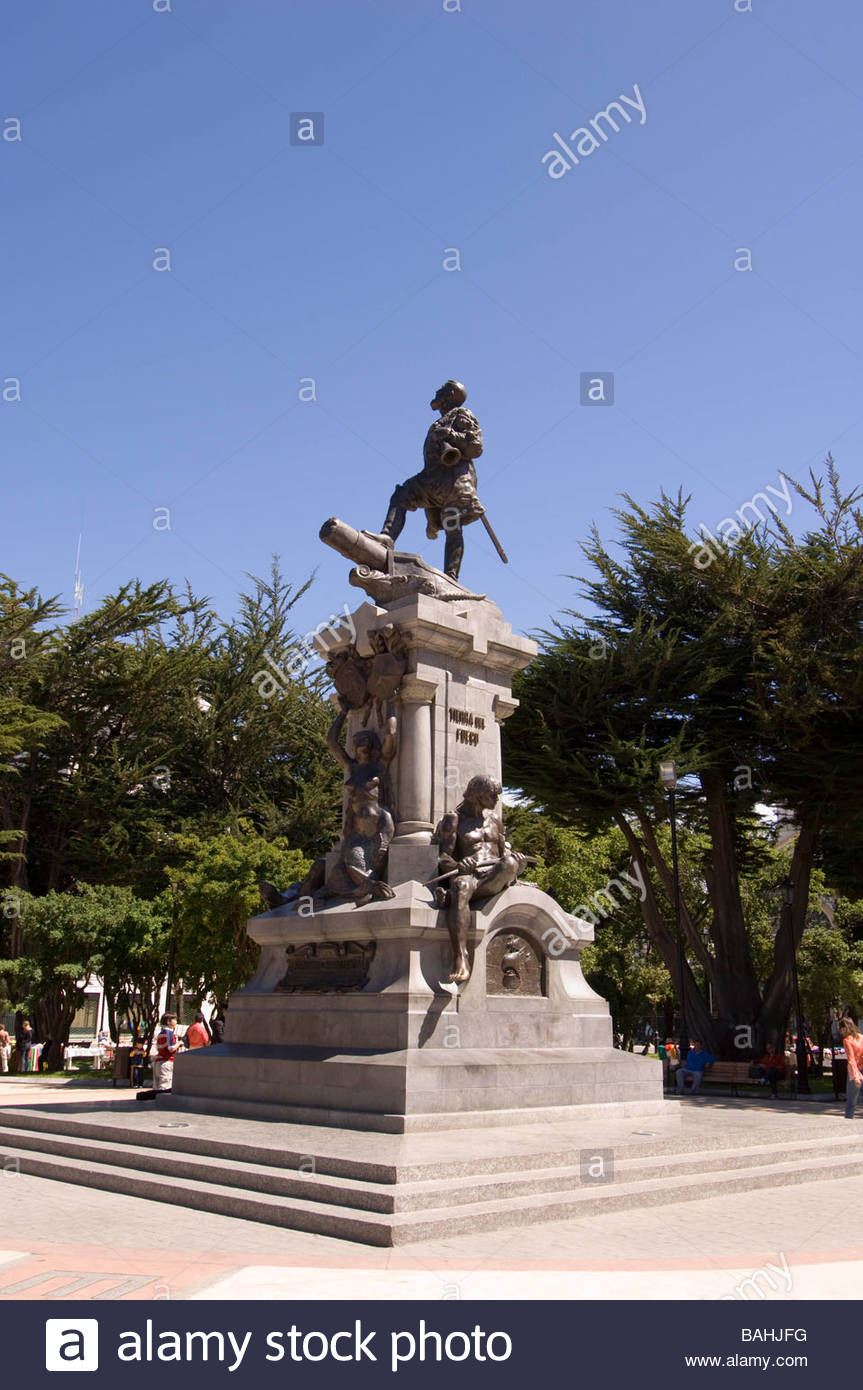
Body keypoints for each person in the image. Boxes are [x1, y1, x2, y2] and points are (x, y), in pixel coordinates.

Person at [373, 380, 486, 581]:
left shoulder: (462, 414)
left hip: (453, 483)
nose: (437, 391)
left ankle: (451, 577)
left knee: (452, 525)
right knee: (402, 495)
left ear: (450, 394)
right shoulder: (443, 420)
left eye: (441, 390)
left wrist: (450, 434)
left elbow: (475, 447)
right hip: (434, 480)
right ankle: (387, 538)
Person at [432, 775, 528, 982]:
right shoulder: (453, 819)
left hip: (495, 873)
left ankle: (451, 899)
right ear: (478, 795)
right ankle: (461, 956)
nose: (496, 800)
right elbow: (442, 857)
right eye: (493, 795)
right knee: (461, 885)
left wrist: (518, 863)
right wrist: (458, 865)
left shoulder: (494, 821)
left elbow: (504, 854)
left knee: (510, 863)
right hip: (471, 877)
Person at [839, 1017, 863, 1119]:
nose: (840, 1031)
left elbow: (851, 1059)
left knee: (851, 1100)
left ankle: (848, 1120)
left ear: (845, 1028)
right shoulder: (861, 1037)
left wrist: (856, 1076)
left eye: (841, 1029)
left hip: (854, 1071)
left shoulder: (847, 1040)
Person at [152, 1013, 179, 1092]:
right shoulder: (169, 1033)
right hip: (167, 1062)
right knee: (165, 1087)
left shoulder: (161, 1033)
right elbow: (171, 1048)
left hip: (158, 1062)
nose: (176, 1022)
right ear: (168, 1021)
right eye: (174, 1020)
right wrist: (179, 1044)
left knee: (156, 1087)